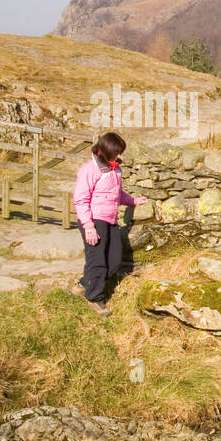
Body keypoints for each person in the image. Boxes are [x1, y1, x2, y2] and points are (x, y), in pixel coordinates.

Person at [71, 132, 147, 317]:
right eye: (117, 152)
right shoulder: (90, 169)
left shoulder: (115, 170)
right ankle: (95, 298)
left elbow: (117, 194)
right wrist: (88, 226)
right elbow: (80, 199)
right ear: (106, 151)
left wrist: (134, 201)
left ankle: (83, 284)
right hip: (94, 221)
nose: (120, 156)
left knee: (114, 261)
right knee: (97, 261)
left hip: (110, 220)